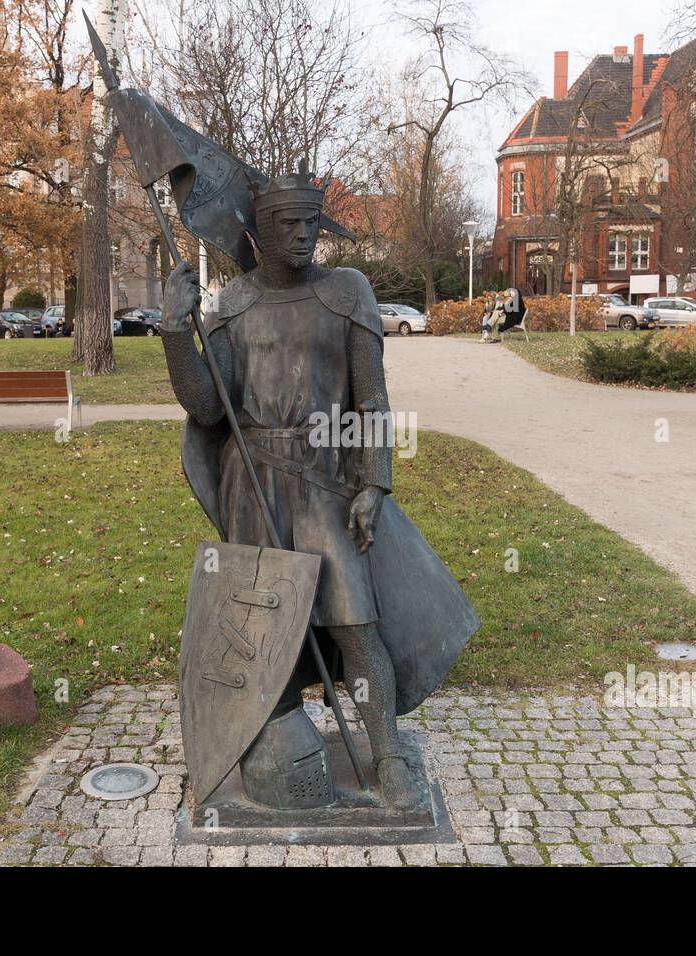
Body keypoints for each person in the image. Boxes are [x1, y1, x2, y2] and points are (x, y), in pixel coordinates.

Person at [160, 165, 476, 811]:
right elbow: (207, 408)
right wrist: (172, 331)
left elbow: (372, 397)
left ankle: (387, 757)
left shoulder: (346, 291)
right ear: (259, 230)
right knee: (266, 632)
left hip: (328, 483)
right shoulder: (235, 304)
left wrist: (374, 482)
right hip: (256, 486)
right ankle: (270, 749)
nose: (303, 236)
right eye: (288, 225)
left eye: (311, 223)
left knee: (356, 627)